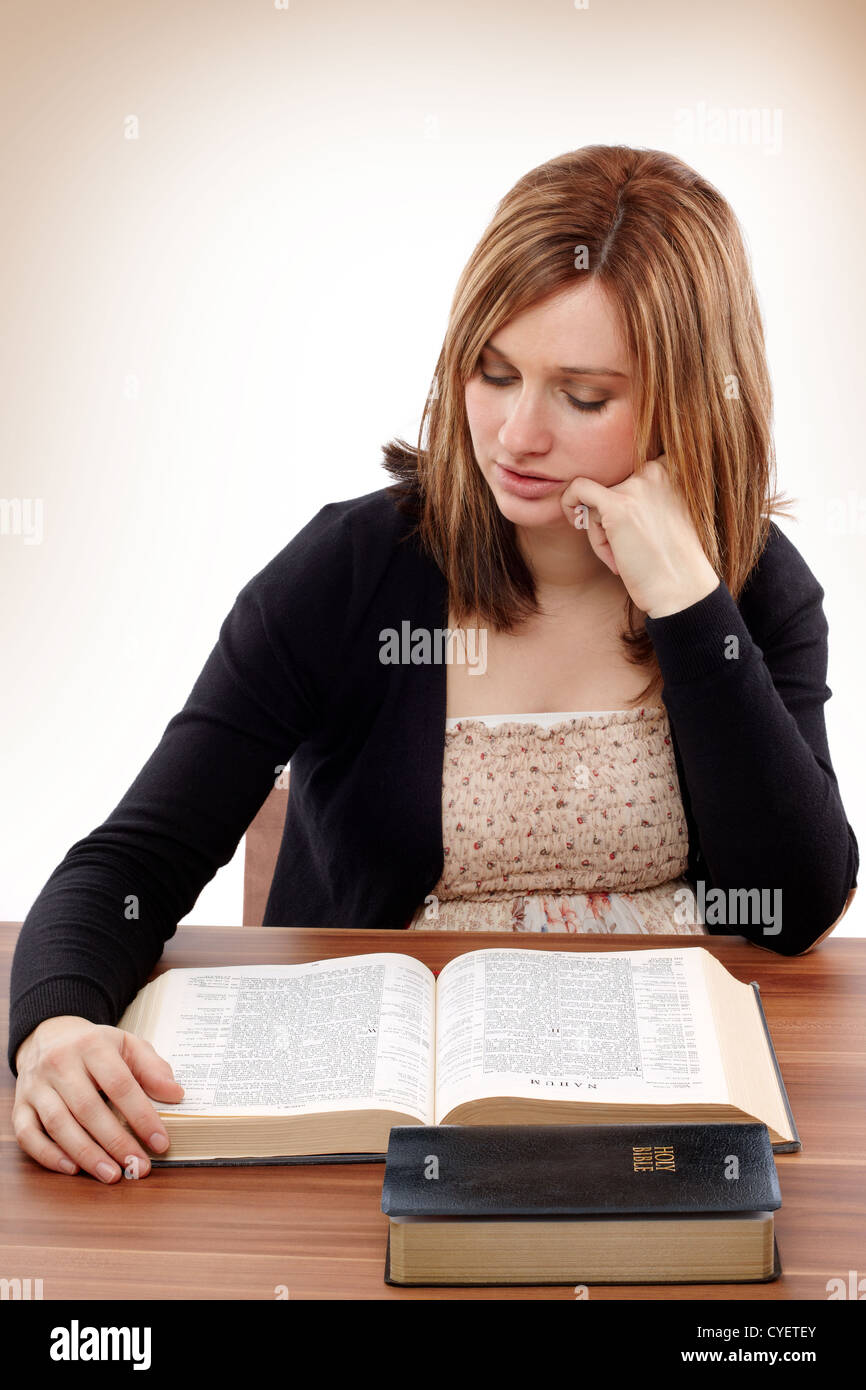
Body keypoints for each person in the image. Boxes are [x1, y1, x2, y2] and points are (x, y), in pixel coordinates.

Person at [9, 145, 858, 1183]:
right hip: (380, 1131)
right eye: (492, 372)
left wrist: (687, 599)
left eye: (582, 396)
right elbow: (129, 866)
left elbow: (796, 900)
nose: (514, 433)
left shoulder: (752, 589)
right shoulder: (352, 571)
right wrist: (52, 1029)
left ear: (686, 402)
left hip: (664, 1119)